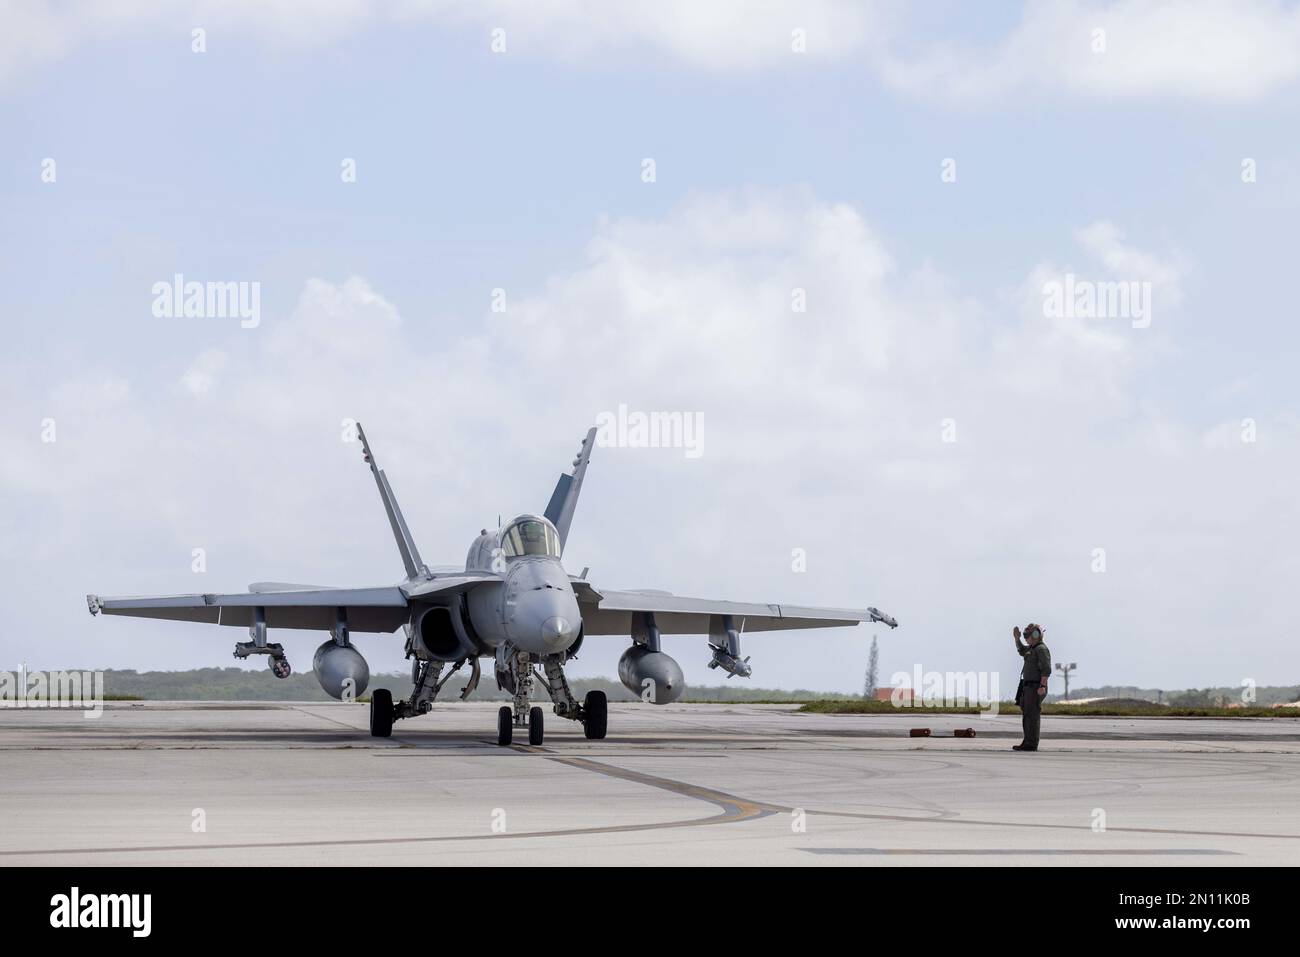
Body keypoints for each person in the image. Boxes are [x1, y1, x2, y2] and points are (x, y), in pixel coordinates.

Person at [1012, 623, 1050, 751]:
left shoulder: (1041, 649)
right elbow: (1022, 650)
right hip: (1028, 687)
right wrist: (1017, 639)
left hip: (1036, 687)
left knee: (1032, 716)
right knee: (1027, 715)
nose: (1026, 638)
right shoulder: (1032, 649)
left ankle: (1032, 743)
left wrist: (1042, 685)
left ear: (1036, 635)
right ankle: (1027, 741)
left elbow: (1046, 670)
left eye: (1027, 635)